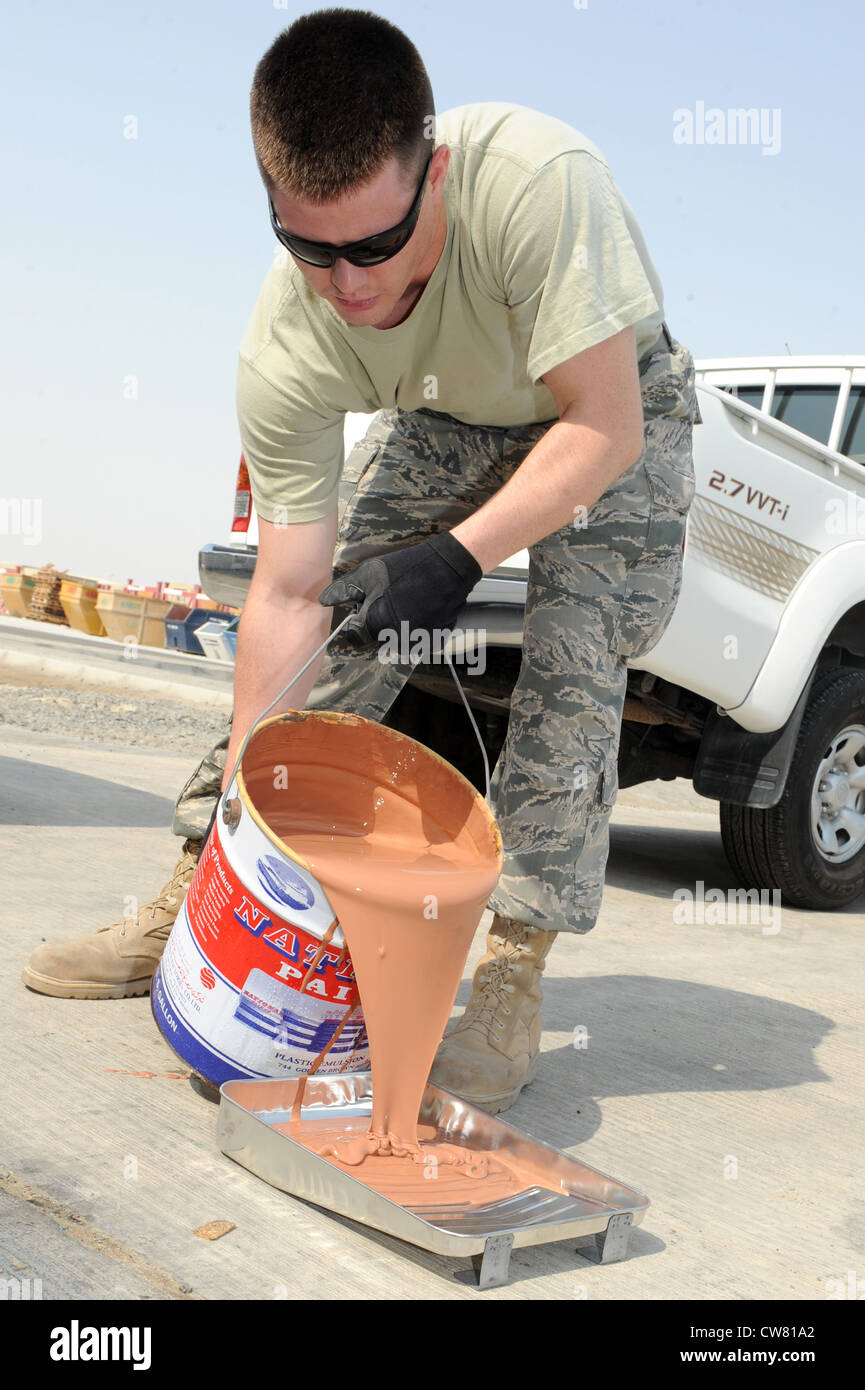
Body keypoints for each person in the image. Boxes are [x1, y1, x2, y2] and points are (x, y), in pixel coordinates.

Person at [23, 7, 699, 1115]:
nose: (346, 286)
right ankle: (196, 900)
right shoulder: (286, 338)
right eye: (309, 247)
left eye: (376, 247)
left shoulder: (537, 183)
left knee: (574, 663)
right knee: (336, 630)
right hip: (453, 418)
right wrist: (253, 819)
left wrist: (457, 556)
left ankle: (512, 976)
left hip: (605, 408)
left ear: (433, 175)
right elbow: (286, 596)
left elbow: (604, 426)